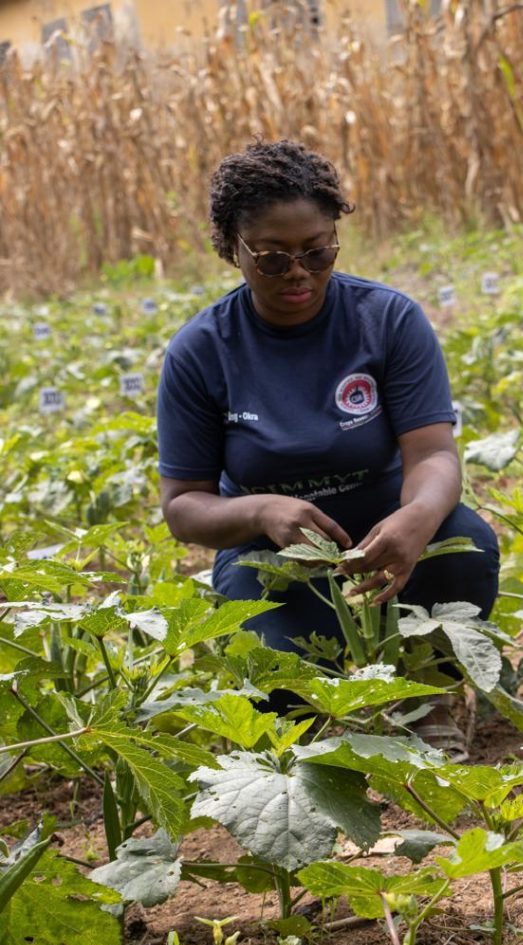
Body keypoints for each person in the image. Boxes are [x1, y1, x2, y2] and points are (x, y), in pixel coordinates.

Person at [157, 139, 499, 750]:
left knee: (465, 545)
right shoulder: (201, 350)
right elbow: (185, 506)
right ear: (231, 249)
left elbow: (434, 455)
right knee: (282, 698)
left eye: (318, 252)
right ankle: (317, 717)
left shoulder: (387, 319)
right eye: (272, 258)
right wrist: (262, 510)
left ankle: (425, 695)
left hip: (389, 531)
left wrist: (417, 519)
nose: (298, 272)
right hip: (275, 558)